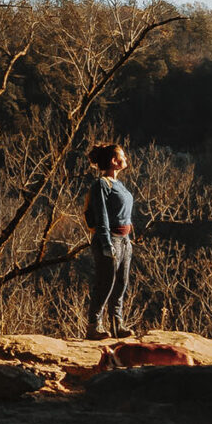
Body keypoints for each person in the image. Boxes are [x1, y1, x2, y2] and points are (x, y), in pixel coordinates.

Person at [82, 142, 136, 340]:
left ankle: (117, 325)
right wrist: (106, 244)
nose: (126, 159)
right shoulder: (102, 185)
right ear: (114, 161)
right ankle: (94, 326)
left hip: (124, 240)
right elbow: (101, 216)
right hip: (110, 239)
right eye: (123, 155)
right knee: (106, 283)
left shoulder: (119, 185)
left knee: (121, 283)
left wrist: (128, 241)